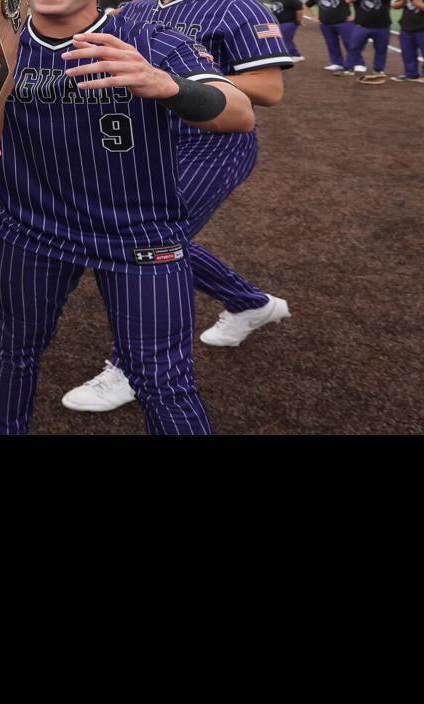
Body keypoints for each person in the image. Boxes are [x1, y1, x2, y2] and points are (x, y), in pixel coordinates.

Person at [0, 0, 255, 434]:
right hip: (31, 230)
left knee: (162, 379)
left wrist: (165, 83)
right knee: (12, 352)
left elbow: (240, 113)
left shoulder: (152, 40)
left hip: (141, 235)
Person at [61, 0, 292, 413]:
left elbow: (269, 89)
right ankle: (248, 302)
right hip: (154, 140)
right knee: (132, 237)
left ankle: (131, 367)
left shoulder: (237, 8)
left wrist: (167, 77)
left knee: (138, 242)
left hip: (211, 146)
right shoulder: (136, 6)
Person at [392, 0, 424, 83]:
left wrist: (413, 1)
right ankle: (410, 74)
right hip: (407, 27)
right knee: (407, 53)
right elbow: (395, 6)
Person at [346, 0, 390, 80]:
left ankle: (378, 69)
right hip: (362, 25)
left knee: (381, 49)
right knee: (354, 47)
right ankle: (349, 68)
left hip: (382, 25)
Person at [308, 0, 352, 73]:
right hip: (325, 24)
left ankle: (357, 63)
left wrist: (356, 15)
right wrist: (313, 16)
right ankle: (337, 63)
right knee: (331, 44)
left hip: (343, 22)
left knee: (349, 43)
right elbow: (306, 5)